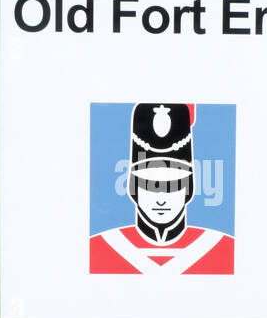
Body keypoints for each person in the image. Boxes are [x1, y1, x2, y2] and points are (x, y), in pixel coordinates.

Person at [90, 102, 234, 274]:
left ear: (189, 188)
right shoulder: (99, 248)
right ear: (132, 187)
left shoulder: (222, 248)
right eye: (149, 184)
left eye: (173, 185)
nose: (160, 198)